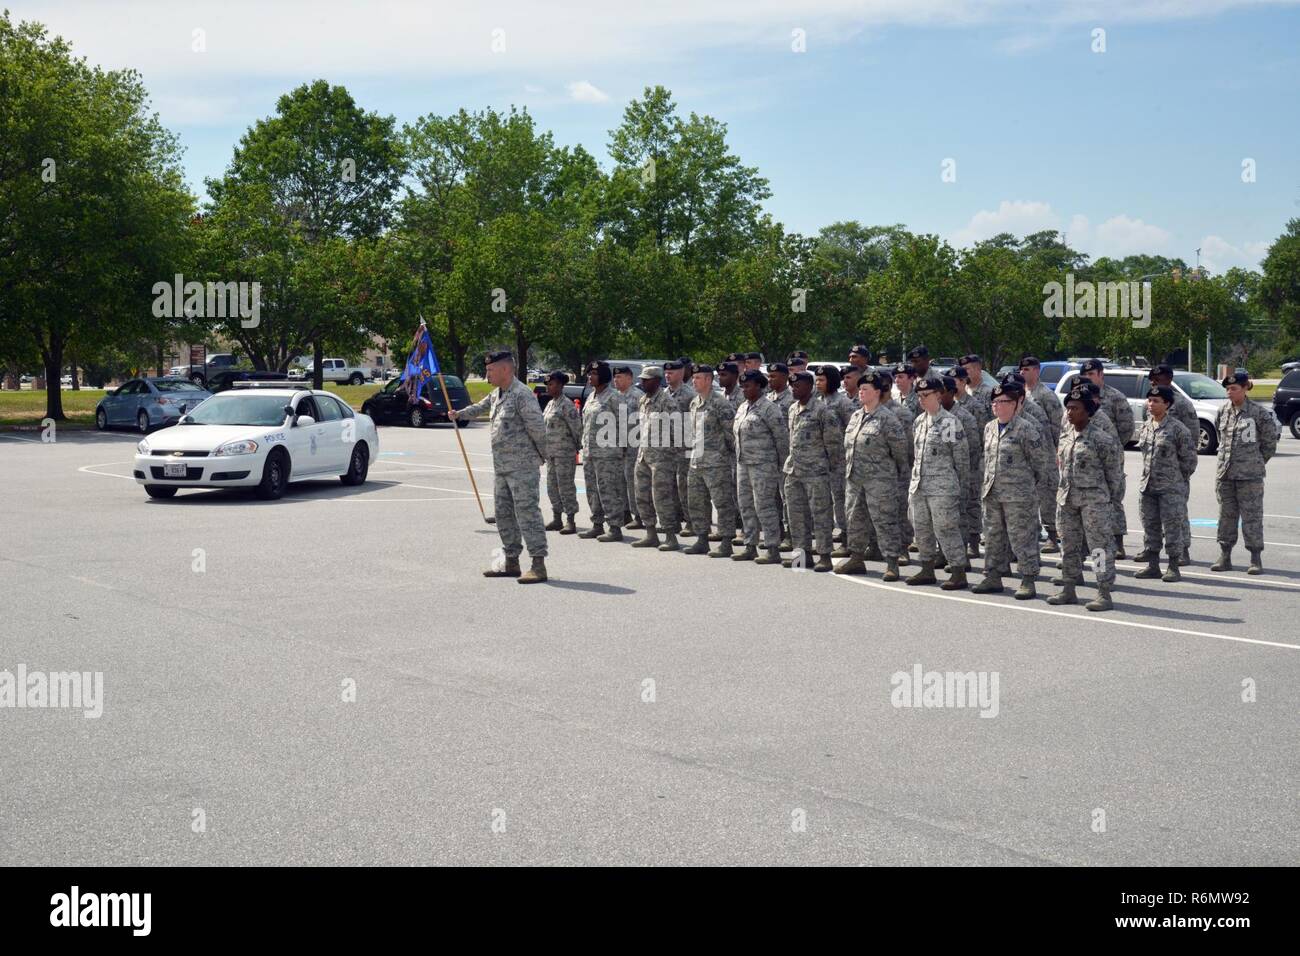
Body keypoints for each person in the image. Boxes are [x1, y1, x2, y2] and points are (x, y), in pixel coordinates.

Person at [449, 351, 549, 583]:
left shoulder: (522, 395)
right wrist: (458, 414)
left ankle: (538, 564)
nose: (487, 375)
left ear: (505, 369)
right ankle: (511, 561)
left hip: (523, 468)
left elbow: (538, 430)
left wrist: (543, 457)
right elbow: (478, 408)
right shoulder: (497, 395)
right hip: (502, 468)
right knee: (504, 515)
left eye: (490, 370)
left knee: (527, 514)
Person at [974, 382, 1050, 599]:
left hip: (1019, 496)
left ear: (1016, 404)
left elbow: (1040, 464)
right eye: (995, 402)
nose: (998, 406)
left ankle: (1028, 578)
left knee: (1022, 537)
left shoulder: (1026, 428)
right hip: (992, 493)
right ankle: (993, 576)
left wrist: (1025, 487)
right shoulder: (989, 427)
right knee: (993, 536)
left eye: (1004, 402)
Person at [1050, 385, 1124, 611]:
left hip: (1094, 503)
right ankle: (1069, 588)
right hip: (1067, 500)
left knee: (1099, 548)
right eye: (1068, 408)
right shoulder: (1065, 437)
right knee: (1069, 547)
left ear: (1088, 411)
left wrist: (1107, 500)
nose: (1070, 412)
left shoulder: (1102, 439)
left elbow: (1115, 475)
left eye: (1076, 408)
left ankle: (1103, 591)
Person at [837, 370, 910, 581]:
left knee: (885, 521)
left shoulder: (888, 419)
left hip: (880, 480)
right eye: (860, 389)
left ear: (877, 392)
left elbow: (899, 452)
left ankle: (892, 563)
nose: (861, 392)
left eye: (865, 389)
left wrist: (891, 475)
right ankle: (857, 557)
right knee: (855, 519)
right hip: (855, 479)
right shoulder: (857, 416)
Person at [1211, 370, 1279, 574]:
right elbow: (1220, 438)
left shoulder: (1258, 413)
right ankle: (1225, 555)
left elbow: (1269, 444)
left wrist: (1255, 463)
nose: (1229, 393)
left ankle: (1255, 557)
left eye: (1234, 389)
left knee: (1252, 517)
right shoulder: (1223, 412)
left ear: (1244, 389)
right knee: (1226, 516)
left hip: (1250, 476)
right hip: (1225, 475)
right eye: (1227, 389)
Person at [906, 378, 970, 589]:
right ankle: (926, 569)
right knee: (922, 529)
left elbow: (961, 459)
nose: (922, 399)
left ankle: (958, 570)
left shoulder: (948, 423)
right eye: (920, 396)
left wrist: (960, 487)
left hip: (943, 488)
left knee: (946, 528)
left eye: (927, 395)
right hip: (919, 486)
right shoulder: (919, 422)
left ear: (939, 395)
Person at [1134, 384, 1197, 582]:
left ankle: (1173, 566)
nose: (1151, 405)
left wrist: (1176, 480)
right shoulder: (1145, 427)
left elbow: (1189, 461)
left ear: (1167, 404)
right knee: (1150, 526)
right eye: (1149, 401)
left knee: (1172, 527)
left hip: (1170, 488)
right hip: (1148, 486)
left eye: (1156, 401)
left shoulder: (1178, 429)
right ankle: (1153, 565)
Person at [783, 370, 840, 571]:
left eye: (797, 386)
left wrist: (828, 468)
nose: (793, 389)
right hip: (794, 470)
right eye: (792, 386)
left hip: (816, 472)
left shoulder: (822, 411)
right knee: (796, 515)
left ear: (810, 387)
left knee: (821, 515)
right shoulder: (792, 409)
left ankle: (824, 556)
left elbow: (833, 444)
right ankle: (801, 557)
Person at [1079, 358, 1135, 558]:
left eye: (1091, 375)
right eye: (1085, 375)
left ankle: (1118, 542)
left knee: (1113, 499)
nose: (1088, 378)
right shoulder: (1079, 399)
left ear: (1101, 375)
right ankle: (1087, 545)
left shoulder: (1115, 398)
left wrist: (1111, 447)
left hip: (1110, 457)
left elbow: (1127, 428)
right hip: (1085, 461)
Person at [733, 368, 788, 564]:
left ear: (759, 386)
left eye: (747, 386)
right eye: (742, 387)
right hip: (743, 463)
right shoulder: (742, 407)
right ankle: (750, 545)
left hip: (763, 464)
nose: (744, 390)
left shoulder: (769, 408)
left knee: (764, 506)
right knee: (745, 505)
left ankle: (773, 548)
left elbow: (781, 439)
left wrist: (783, 466)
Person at [683, 364, 738, 558]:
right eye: (693, 378)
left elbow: (731, 434)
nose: (693, 381)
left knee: (722, 503)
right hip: (696, 461)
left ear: (708, 380)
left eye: (697, 378)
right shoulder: (694, 403)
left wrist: (727, 456)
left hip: (717, 462)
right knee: (697, 502)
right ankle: (702, 539)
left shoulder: (720, 403)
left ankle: (726, 541)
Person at [1146, 364, 1197, 563]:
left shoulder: (1182, 404)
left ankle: (1183, 549)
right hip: (1153, 472)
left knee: (1177, 513)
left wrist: (1182, 473)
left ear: (1168, 379)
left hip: (1175, 472)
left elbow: (1191, 438)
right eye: (1152, 380)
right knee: (1151, 515)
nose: (1153, 382)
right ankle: (1152, 550)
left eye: (1157, 379)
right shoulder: (1150, 403)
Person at [631, 366, 682, 552]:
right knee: (642, 495)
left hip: (662, 458)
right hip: (644, 454)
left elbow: (677, 432)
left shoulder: (667, 401)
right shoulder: (643, 400)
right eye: (642, 379)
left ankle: (670, 536)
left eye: (646, 380)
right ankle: (650, 533)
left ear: (656, 380)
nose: (643, 383)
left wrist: (671, 456)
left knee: (661, 497)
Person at [1017, 357, 1063, 552]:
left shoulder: (1045, 395)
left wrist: (1056, 452)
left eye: (1027, 369)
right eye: (1021, 370)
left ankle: (1053, 535)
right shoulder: (1022, 393)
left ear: (1036, 371)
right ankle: (1034, 532)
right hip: (1028, 455)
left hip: (1047, 453)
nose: (1023, 373)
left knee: (1047, 497)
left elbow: (1057, 426)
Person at [578, 361, 628, 542]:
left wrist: (622, 449)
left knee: (609, 490)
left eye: (594, 374)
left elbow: (625, 424)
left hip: (608, 454)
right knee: (592, 491)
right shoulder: (591, 396)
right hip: (590, 453)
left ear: (604, 376)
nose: (590, 377)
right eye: (589, 374)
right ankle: (597, 524)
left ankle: (615, 528)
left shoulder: (614, 397)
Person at [940, 374, 983, 559]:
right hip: (942, 475)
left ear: (951, 392)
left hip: (965, 472)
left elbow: (974, 447)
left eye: (940, 392)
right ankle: (943, 551)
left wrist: (966, 474)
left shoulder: (965, 417)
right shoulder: (936, 416)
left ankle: (967, 547)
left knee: (965, 510)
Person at [815, 364, 854, 550]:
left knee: (840, 500)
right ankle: (826, 537)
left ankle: (847, 538)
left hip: (839, 460)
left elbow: (852, 429)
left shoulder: (843, 403)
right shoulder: (817, 401)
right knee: (822, 501)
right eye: (817, 379)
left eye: (822, 380)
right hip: (818, 460)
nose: (818, 383)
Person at [541, 371, 581, 535]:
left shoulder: (567, 405)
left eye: (552, 384)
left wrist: (576, 447)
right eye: (548, 385)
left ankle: (570, 520)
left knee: (566, 487)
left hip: (564, 453)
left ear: (560, 385)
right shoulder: (551, 404)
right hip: (551, 453)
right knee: (552, 486)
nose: (549, 387)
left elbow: (576, 428)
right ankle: (557, 518)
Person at [663, 360, 694, 535]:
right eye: (666, 373)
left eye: (672, 373)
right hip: (667, 448)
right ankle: (673, 520)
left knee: (685, 486)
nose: (668, 376)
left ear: (681, 373)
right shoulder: (664, 394)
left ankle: (691, 521)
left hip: (685, 447)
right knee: (669, 485)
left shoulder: (690, 394)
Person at [613, 365, 642, 528]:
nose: (616, 380)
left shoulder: (638, 397)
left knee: (633, 482)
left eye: (620, 377)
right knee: (619, 482)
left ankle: (638, 515)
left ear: (630, 378)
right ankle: (624, 513)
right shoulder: (614, 397)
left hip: (634, 447)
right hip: (617, 448)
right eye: (615, 377)